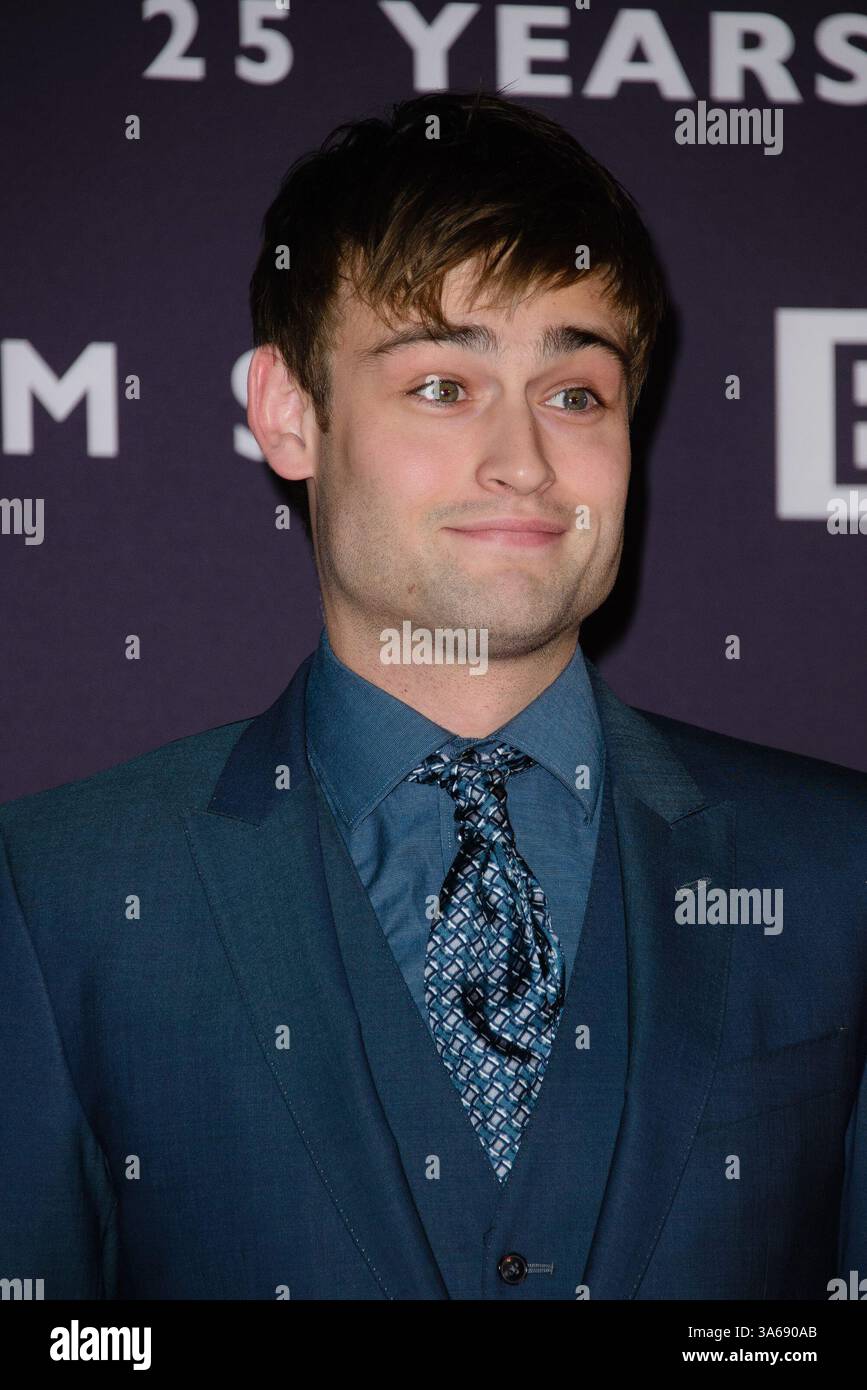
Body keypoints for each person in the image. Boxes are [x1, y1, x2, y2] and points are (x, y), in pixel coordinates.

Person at [1, 91, 865, 1302]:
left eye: (575, 394)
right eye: (444, 387)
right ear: (290, 415)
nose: (524, 460)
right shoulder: (61, 897)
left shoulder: (838, 869)